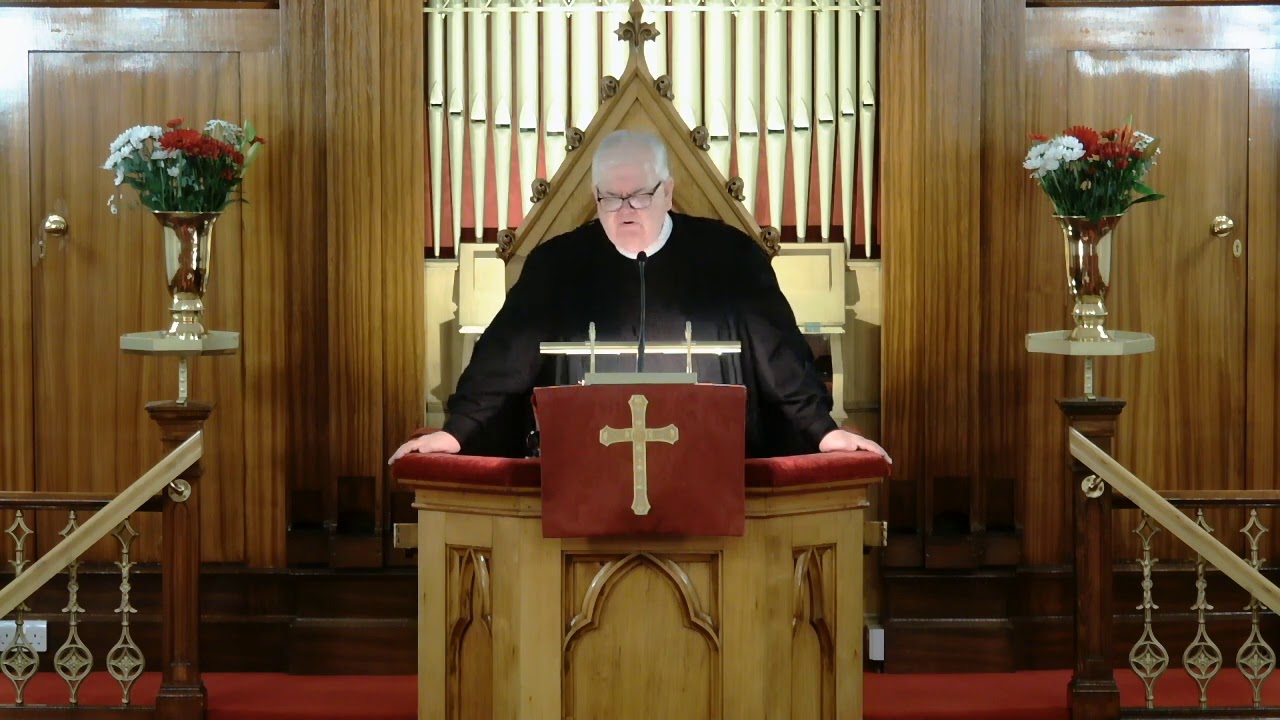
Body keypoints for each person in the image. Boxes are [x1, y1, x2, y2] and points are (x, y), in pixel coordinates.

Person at [390, 130, 891, 464]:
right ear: (595, 195)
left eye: (640, 196)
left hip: (710, 471)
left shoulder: (731, 259)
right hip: (587, 473)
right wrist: (455, 434)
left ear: (668, 192)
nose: (624, 210)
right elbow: (501, 363)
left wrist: (825, 433)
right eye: (609, 198)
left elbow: (782, 363)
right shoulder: (556, 267)